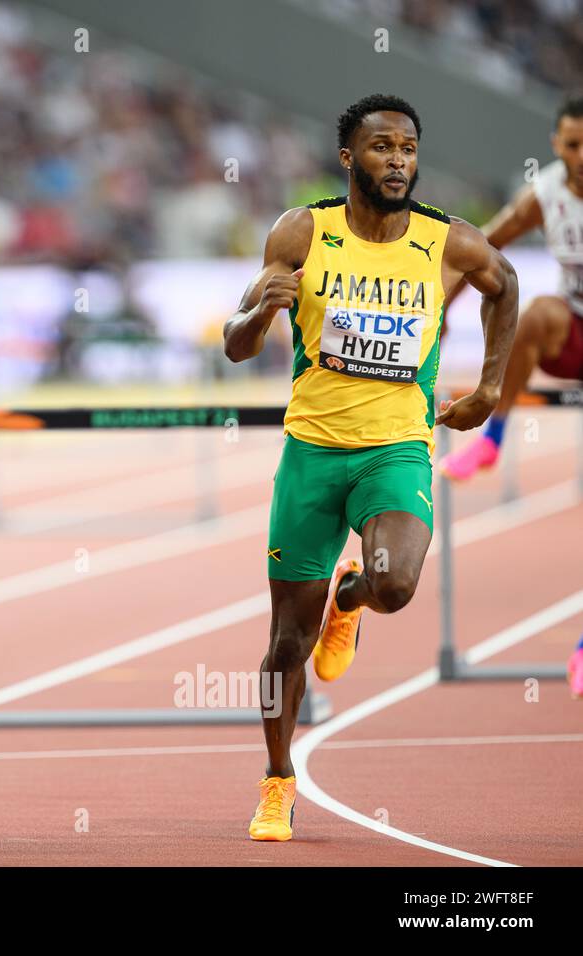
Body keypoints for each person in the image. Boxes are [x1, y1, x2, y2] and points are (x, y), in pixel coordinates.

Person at [222, 93, 518, 842]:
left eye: (409, 148)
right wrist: (259, 314)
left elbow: (505, 285)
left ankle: (351, 602)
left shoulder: (444, 240)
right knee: (288, 641)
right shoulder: (302, 230)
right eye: (383, 147)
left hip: (396, 448)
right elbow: (234, 343)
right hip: (312, 456)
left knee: (394, 583)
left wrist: (490, 386)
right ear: (350, 157)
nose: (399, 161)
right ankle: (278, 782)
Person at [437, 94, 583, 482]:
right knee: (536, 312)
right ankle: (493, 440)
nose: (582, 156)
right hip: (574, 334)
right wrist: (443, 309)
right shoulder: (544, 195)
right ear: (556, 144)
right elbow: (481, 249)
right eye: (573, 145)